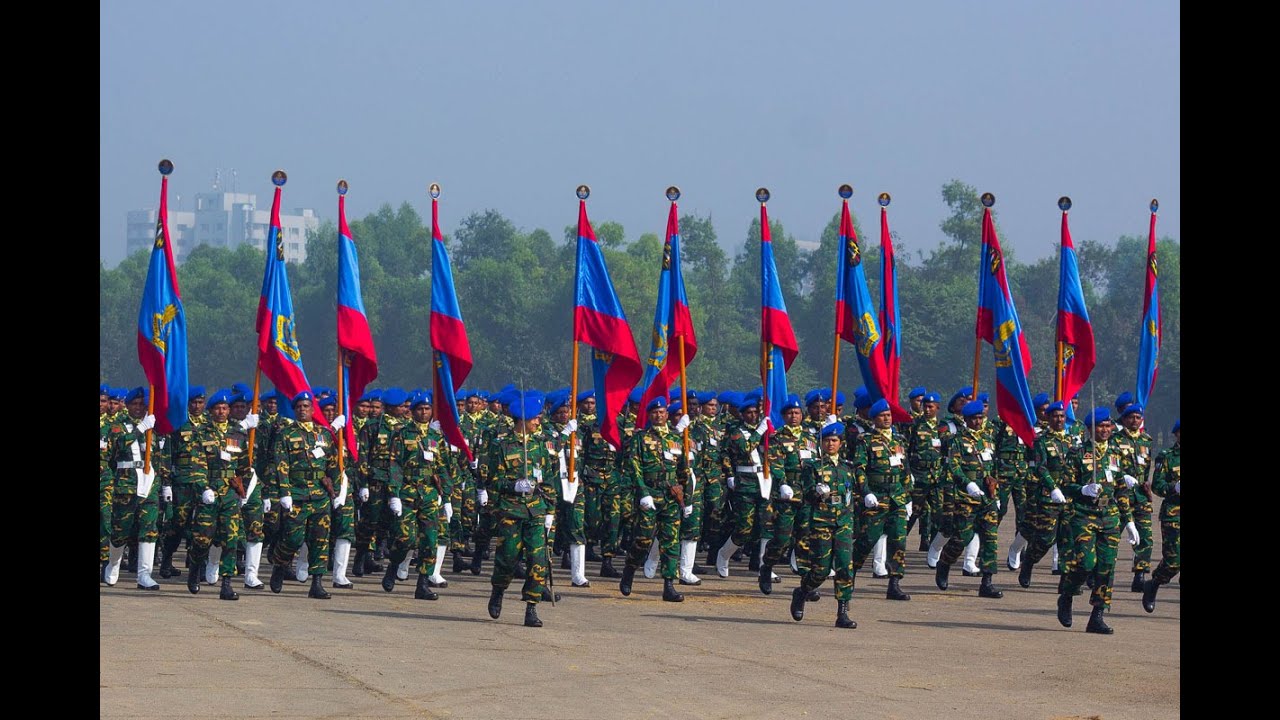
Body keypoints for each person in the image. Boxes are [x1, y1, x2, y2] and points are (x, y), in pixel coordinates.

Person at [1056, 408, 1138, 634]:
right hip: (1083, 515)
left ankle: (1097, 616)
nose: (1105, 430)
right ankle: (1067, 596)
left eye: (1107, 425)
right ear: (1089, 429)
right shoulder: (1077, 452)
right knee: (1086, 563)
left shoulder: (1116, 453)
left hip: (1109, 516)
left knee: (1106, 567)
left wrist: (1129, 521)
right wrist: (1082, 489)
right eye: (1100, 426)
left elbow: (1121, 489)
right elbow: (1065, 484)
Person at [485, 392, 559, 627]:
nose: (539, 422)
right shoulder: (501, 445)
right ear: (522, 419)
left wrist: (550, 510)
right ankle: (498, 590)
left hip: (535, 511)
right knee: (507, 558)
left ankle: (531, 607)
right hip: (511, 510)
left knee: (538, 560)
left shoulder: (541, 445)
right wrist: (512, 485)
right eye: (535, 418)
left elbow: (548, 480)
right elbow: (491, 480)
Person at [267, 392, 343, 599]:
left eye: (306, 406)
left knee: (320, 540)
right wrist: (285, 493)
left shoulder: (324, 434)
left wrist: (336, 490)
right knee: (293, 538)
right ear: (294, 410)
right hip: (297, 492)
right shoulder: (286, 434)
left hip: (320, 494)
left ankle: (317, 582)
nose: (303, 410)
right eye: (299, 406)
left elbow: (333, 465)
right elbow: (281, 465)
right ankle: (279, 564)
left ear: (312, 409)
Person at [620, 397, 692, 602]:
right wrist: (643, 492)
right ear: (649, 415)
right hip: (650, 495)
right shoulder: (640, 439)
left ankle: (669, 585)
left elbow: (684, 470)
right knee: (643, 539)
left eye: (661, 412)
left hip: (671, 497)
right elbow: (634, 468)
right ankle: (630, 569)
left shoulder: (677, 439)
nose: (658, 415)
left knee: (671, 541)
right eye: (654, 412)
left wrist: (687, 499)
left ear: (667, 415)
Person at [383, 391, 454, 600]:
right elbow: (394, 464)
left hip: (430, 494)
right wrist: (394, 493)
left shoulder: (436, 437)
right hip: (407, 491)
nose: (424, 412)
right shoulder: (403, 434)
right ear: (412, 412)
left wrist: (447, 498)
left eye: (427, 409)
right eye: (420, 409)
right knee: (406, 538)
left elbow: (443, 468)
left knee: (429, 540)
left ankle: (422, 584)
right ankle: (393, 566)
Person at [788, 422, 858, 628]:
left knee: (845, 567)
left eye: (834, 440)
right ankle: (801, 592)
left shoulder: (847, 467)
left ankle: (842, 613)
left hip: (844, 522)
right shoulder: (813, 466)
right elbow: (807, 494)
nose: (830, 444)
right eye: (827, 440)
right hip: (822, 522)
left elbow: (852, 495)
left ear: (840, 443)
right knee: (820, 570)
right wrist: (816, 491)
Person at [935, 400, 1004, 599]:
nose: (977, 422)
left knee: (990, 540)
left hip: (987, 498)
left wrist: (996, 493)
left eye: (980, 418)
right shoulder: (957, 441)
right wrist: (967, 484)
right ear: (965, 420)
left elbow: (993, 468)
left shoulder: (988, 439)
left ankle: (987, 582)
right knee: (962, 538)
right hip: (966, 498)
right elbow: (954, 467)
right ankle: (944, 563)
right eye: (973, 418)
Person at [189, 390, 251, 600]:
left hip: (230, 494)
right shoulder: (202, 433)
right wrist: (203, 488)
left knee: (231, 539)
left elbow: (243, 465)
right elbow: (196, 465)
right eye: (217, 408)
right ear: (211, 410)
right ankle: (195, 566)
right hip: (210, 490)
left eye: (225, 408)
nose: (222, 411)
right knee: (202, 538)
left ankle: (226, 583)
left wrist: (244, 490)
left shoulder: (237, 434)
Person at [850, 400, 912, 601]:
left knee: (898, 541)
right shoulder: (865, 440)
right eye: (882, 416)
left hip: (897, 497)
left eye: (889, 415)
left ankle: (894, 582)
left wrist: (907, 495)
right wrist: (866, 492)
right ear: (874, 419)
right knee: (867, 539)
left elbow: (905, 469)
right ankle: (849, 574)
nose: (887, 419)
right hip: (877, 497)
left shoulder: (899, 440)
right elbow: (859, 468)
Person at [102, 388, 161, 590]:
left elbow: (160, 456)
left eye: (141, 404)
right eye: (134, 404)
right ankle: (114, 563)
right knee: (120, 531)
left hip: (149, 483)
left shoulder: (153, 426)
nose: (138, 408)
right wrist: (140, 429)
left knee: (149, 529)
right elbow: (118, 446)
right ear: (127, 406)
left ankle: (145, 575)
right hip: (126, 484)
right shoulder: (117, 426)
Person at [1112, 403, 1154, 592]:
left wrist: (1147, 487)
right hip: (1119, 496)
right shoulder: (1114, 440)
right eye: (1131, 417)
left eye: (1138, 417)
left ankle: (1140, 574)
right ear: (1124, 419)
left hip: (1140, 497)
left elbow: (1145, 470)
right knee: (1111, 535)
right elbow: (1110, 468)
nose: (1134, 421)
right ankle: (1101, 573)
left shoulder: (1146, 440)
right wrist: (1121, 476)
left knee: (1145, 537)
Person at [1142, 419, 1180, 613]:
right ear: (1176, 434)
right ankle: (1154, 583)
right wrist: (1174, 487)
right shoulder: (1167, 457)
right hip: (1174, 516)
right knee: (1173, 562)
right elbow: (1157, 486)